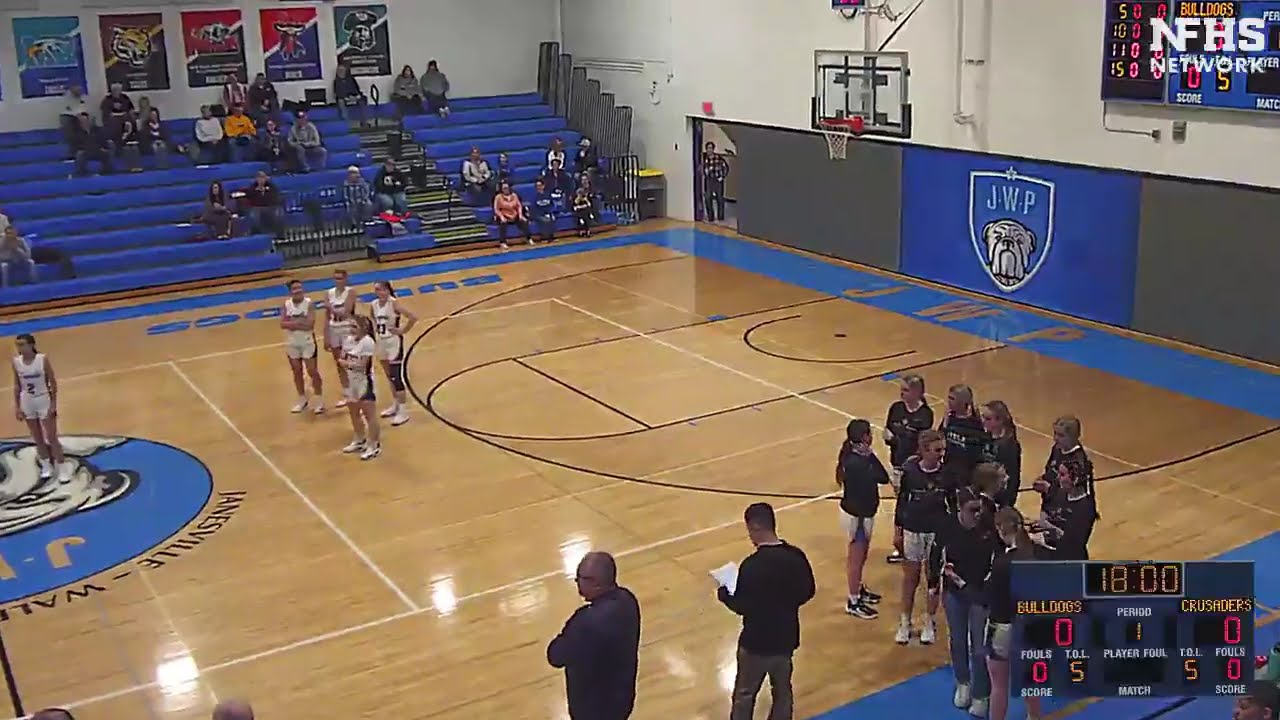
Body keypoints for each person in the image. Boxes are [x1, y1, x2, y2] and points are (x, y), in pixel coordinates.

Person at [719, 502, 815, 720]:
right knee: (782, 692)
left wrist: (725, 595)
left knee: (745, 694)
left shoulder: (752, 566)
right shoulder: (796, 557)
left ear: (755, 528)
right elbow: (808, 591)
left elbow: (742, 606)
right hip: (785, 638)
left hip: (756, 643)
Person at [547, 551, 641, 720]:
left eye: (579, 579)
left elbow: (555, 656)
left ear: (594, 583)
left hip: (592, 710)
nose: (577, 584)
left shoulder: (585, 622)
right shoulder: (628, 600)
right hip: (622, 699)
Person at [930, 488, 998, 717]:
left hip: (980, 593)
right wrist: (932, 583)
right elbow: (935, 553)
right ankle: (963, 682)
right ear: (960, 509)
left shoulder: (988, 525)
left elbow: (999, 556)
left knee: (979, 647)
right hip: (955, 593)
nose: (978, 514)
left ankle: (981, 695)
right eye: (972, 510)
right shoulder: (947, 526)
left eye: (979, 508)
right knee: (958, 640)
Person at [894, 429, 948, 645]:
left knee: (933, 578)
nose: (941, 454)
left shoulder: (948, 474)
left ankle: (929, 621)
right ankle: (905, 622)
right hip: (913, 530)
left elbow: (951, 506)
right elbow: (901, 502)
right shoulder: (910, 471)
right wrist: (897, 530)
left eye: (943, 449)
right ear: (924, 451)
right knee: (911, 578)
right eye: (937, 450)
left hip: (936, 533)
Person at [987, 507, 1040, 720]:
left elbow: (990, 598)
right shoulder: (1036, 555)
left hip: (1002, 626)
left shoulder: (1001, 564)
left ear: (1001, 529)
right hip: (1031, 625)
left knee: (999, 686)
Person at [835, 418, 889, 619]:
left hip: (864, 514)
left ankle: (858, 588)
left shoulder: (861, 457)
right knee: (855, 559)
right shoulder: (855, 463)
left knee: (862, 555)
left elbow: (882, 477)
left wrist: (871, 456)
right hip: (856, 516)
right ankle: (853, 600)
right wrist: (871, 458)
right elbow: (880, 478)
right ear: (865, 436)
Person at [883, 373, 933, 564]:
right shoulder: (896, 409)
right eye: (901, 390)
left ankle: (915, 544)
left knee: (913, 504)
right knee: (900, 504)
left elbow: (921, 442)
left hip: (913, 467)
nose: (902, 394)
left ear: (917, 392)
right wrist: (891, 438)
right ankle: (901, 544)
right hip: (896, 464)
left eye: (906, 390)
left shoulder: (924, 414)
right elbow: (888, 431)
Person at [12, 333, 68, 482]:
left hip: (43, 398)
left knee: (51, 436)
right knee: (37, 437)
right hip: (27, 400)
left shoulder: (42, 359)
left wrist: (54, 404)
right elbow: (17, 385)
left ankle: (62, 467)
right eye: (18, 345)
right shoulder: (16, 362)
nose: (20, 348)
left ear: (31, 345)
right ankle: (46, 465)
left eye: (23, 344)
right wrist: (17, 407)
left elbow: (52, 382)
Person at [370, 280, 416, 426]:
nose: (379, 292)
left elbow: (413, 317)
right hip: (381, 342)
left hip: (393, 342)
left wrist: (402, 330)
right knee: (389, 376)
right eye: (377, 290)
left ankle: (403, 411)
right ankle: (395, 404)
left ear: (388, 290)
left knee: (396, 377)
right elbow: (373, 320)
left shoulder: (394, 303)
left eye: (382, 290)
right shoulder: (374, 304)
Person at [1033, 458, 1098, 561]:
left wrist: (1047, 527)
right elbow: (1047, 511)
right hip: (1051, 552)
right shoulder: (1060, 493)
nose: (1058, 478)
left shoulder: (1085, 508)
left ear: (1075, 479)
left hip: (1071, 558)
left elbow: (1072, 540)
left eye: (1062, 475)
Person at [280, 279, 324, 415]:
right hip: (292, 342)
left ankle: (319, 399)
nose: (298, 290)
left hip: (307, 341)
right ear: (290, 291)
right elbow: (282, 324)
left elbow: (310, 324)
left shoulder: (309, 303)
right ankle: (302, 398)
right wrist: (300, 322)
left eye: (300, 287)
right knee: (296, 371)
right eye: (295, 288)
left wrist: (292, 322)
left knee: (312, 371)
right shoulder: (286, 304)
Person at [340, 315, 381, 460]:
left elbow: (363, 365)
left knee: (369, 415)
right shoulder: (348, 340)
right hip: (352, 382)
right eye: (350, 327)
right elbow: (341, 357)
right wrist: (346, 363)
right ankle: (359, 439)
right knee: (353, 411)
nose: (351, 330)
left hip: (365, 382)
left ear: (364, 329)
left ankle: (374, 445)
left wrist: (348, 364)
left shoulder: (367, 343)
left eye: (354, 327)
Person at [939, 384, 989, 502]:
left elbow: (982, 445)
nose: (948, 402)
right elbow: (940, 438)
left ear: (963, 401)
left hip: (968, 473)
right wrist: (945, 423)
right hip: (949, 470)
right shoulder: (949, 418)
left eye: (952, 398)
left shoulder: (976, 423)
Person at [324, 269, 357, 408]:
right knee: (339, 362)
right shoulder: (328, 293)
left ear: (345, 279)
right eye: (336, 278)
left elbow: (347, 311)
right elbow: (327, 315)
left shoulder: (351, 292)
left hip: (347, 329)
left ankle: (357, 392)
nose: (338, 281)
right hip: (334, 329)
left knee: (350, 361)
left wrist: (331, 307)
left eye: (340, 278)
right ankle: (347, 392)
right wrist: (325, 335)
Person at [981, 400, 1022, 507]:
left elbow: (1013, 476)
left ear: (1000, 420)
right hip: (984, 491)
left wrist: (1008, 501)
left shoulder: (1010, 445)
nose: (984, 421)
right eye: (983, 417)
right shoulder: (984, 437)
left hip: (1000, 496)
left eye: (988, 419)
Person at [241, 171, 283, 237]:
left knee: (278, 213)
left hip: (271, 206)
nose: (261, 180)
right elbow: (250, 199)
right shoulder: (252, 188)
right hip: (257, 207)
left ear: (266, 178)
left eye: (263, 178)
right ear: (256, 179)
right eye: (259, 178)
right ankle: (257, 234)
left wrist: (264, 192)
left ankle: (280, 235)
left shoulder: (272, 187)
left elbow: (274, 198)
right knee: (254, 215)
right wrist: (258, 191)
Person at [493, 181, 532, 248]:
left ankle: (528, 238)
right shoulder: (498, 197)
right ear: (501, 189)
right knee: (502, 223)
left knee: (524, 221)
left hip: (514, 214)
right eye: (504, 188)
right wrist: (501, 217)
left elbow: (519, 206)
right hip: (503, 215)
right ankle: (502, 242)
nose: (506, 190)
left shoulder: (514, 195)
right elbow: (496, 209)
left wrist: (520, 215)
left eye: (507, 188)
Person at [702, 140, 730, 222]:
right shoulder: (704, 159)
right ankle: (711, 217)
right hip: (709, 180)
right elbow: (702, 168)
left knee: (719, 198)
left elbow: (726, 168)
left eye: (711, 148)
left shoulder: (718, 158)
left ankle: (720, 217)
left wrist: (722, 177)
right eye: (708, 148)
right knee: (708, 198)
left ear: (713, 149)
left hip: (718, 180)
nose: (709, 150)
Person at [59, 85, 89, 150]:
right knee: (68, 124)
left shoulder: (82, 97)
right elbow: (71, 108)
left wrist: (83, 117)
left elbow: (83, 107)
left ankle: (84, 146)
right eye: (77, 89)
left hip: (79, 115)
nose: (79, 91)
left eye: (80, 90)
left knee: (85, 123)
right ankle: (73, 148)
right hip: (67, 115)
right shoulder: (67, 97)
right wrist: (80, 117)